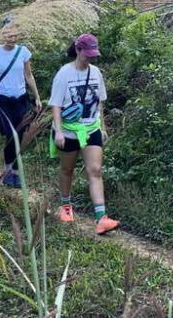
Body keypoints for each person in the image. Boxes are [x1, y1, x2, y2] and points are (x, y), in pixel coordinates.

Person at [49, 33, 120, 235]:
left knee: (95, 169)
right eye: (86, 54)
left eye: (92, 55)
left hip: (91, 128)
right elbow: (55, 105)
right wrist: (59, 131)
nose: (90, 58)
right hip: (69, 131)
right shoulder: (64, 73)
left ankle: (101, 218)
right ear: (78, 50)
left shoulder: (96, 72)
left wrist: (103, 127)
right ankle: (65, 207)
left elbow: (100, 102)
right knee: (67, 170)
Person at [0, 25, 42, 188]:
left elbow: (28, 75)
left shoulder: (23, 51)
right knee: (10, 135)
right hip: (2, 100)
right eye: (9, 36)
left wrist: (37, 96)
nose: (13, 39)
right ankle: (8, 170)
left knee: (20, 134)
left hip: (21, 99)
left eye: (15, 36)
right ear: (2, 35)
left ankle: (15, 172)